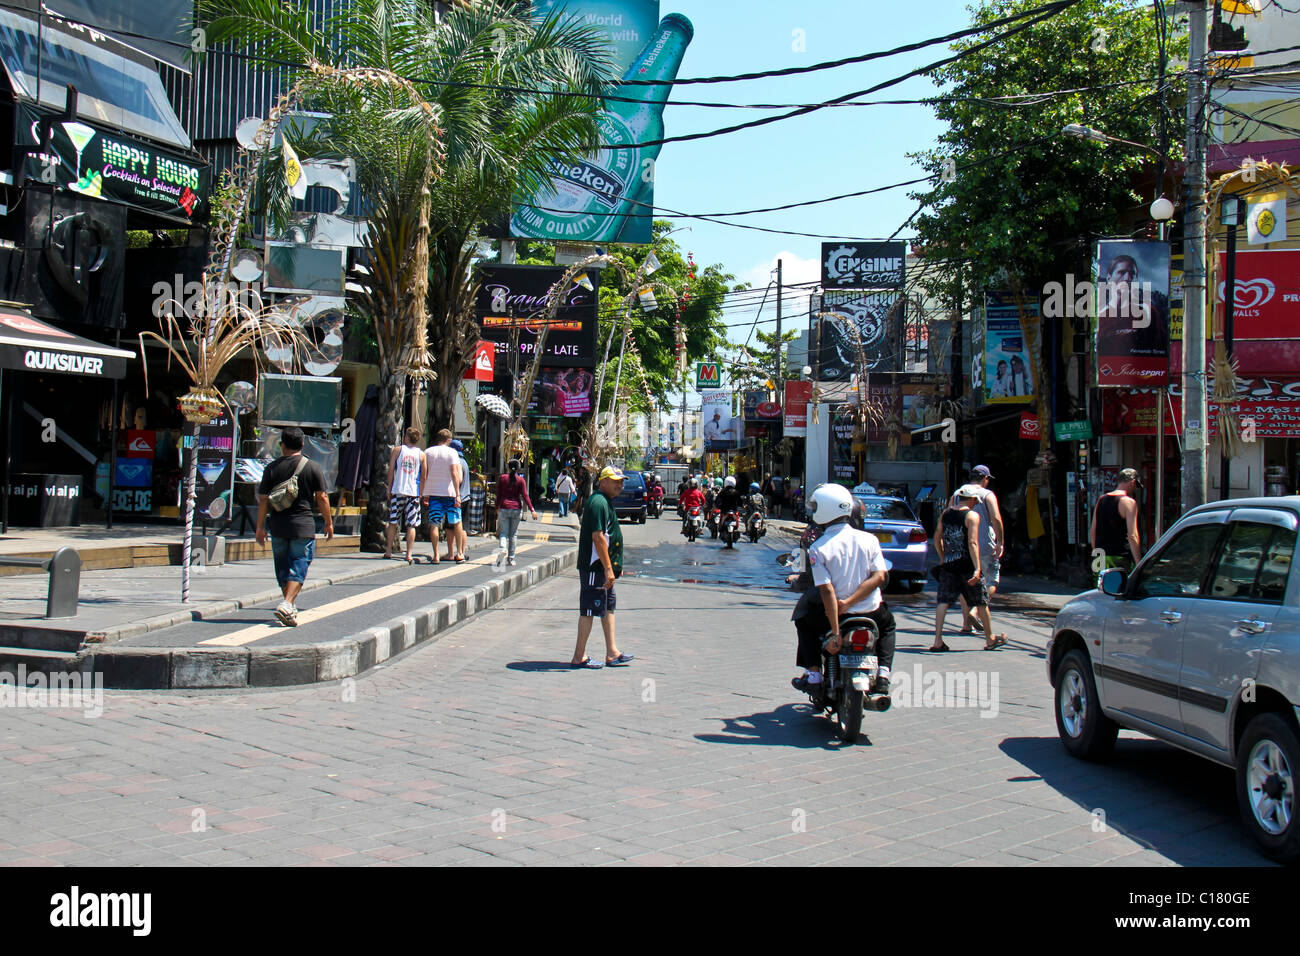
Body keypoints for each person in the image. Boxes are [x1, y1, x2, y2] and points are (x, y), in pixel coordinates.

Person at [790, 484, 895, 697]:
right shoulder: (870, 540)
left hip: (835, 613)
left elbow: (827, 591)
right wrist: (853, 601)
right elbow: (880, 577)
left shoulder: (819, 547)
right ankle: (884, 674)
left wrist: (837, 633)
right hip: (871, 611)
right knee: (888, 626)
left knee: (803, 621)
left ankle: (814, 676)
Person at [256, 426, 333, 627]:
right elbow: (322, 497)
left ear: (282, 445)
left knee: (282, 567)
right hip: (303, 526)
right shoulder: (312, 467)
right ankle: (288, 603)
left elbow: (263, 499)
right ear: (302, 444)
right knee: (299, 564)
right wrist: (328, 522)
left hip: (278, 525)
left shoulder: (271, 468)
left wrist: (259, 527)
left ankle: (288, 607)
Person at [570, 466, 634, 670]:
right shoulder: (598, 502)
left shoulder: (605, 501)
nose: (620, 485)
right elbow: (598, 538)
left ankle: (612, 652)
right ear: (603, 481)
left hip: (604, 568)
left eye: (622, 481)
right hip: (594, 567)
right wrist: (608, 568)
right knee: (589, 609)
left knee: (607, 607)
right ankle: (579, 656)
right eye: (616, 481)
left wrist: (614, 567)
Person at [931, 485, 1005, 651]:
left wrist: (943, 557)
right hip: (967, 565)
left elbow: (937, 537)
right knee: (981, 601)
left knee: (943, 602)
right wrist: (977, 568)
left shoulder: (946, 513)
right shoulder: (972, 516)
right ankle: (990, 639)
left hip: (949, 565)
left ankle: (937, 641)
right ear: (972, 500)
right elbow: (972, 542)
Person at [949, 465, 1004, 634]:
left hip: (963, 545)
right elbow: (995, 518)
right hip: (984, 544)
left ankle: (966, 624)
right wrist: (1000, 542)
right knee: (991, 580)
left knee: (967, 583)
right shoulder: (988, 495)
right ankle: (976, 610)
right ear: (984, 478)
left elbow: (948, 516)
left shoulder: (957, 494)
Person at [421, 428, 463, 563]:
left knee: (434, 523)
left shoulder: (427, 452)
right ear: (448, 440)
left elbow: (424, 474)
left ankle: (436, 555)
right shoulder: (452, 452)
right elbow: (455, 473)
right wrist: (457, 494)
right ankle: (460, 552)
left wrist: (425, 492)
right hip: (450, 493)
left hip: (433, 492)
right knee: (456, 521)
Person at [384, 426, 426, 563]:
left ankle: (388, 551)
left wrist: (389, 487)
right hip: (413, 492)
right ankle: (409, 554)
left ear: (407, 438)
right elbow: (424, 475)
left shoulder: (398, 450)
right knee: (411, 524)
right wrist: (422, 491)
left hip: (398, 489)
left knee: (393, 521)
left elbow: (391, 470)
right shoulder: (421, 454)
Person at [1090, 467, 1142, 573]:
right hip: (1120, 557)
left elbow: (1093, 532)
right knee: (1121, 588)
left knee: (1101, 588)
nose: (1135, 489)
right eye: (1136, 486)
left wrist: (1096, 553)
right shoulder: (1129, 502)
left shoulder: (1101, 499)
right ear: (1133, 482)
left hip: (1100, 556)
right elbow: (1133, 536)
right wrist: (1139, 564)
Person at [495, 459, 538, 568]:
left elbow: (499, 494)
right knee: (513, 534)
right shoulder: (521, 480)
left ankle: (503, 548)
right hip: (516, 509)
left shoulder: (502, 478)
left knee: (503, 533)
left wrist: (497, 507)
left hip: (504, 508)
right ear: (518, 468)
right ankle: (511, 559)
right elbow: (525, 496)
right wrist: (532, 510)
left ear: (508, 467)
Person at [451, 438, 472, 559]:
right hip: (466, 497)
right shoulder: (464, 461)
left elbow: (457, 480)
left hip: (457, 498)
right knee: (463, 527)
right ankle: (462, 552)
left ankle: (452, 552)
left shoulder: (456, 462)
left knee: (451, 527)